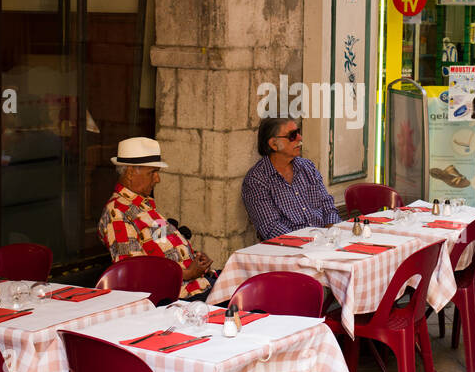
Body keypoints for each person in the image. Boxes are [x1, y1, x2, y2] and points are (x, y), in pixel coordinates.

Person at [98, 137, 215, 298]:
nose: (157, 179)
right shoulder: (117, 212)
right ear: (131, 172)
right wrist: (188, 273)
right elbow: (132, 272)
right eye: (152, 172)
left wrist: (194, 258)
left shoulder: (143, 204)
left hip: (198, 285)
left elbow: (162, 245)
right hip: (180, 296)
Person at [241, 118, 341, 240]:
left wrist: (331, 235)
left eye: (298, 132)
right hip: (289, 250)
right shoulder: (256, 180)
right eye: (292, 135)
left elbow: (328, 206)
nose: (300, 138)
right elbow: (271, 227)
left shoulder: (307, 167)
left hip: (323, 241)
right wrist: (308, 243)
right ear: (274, 144)